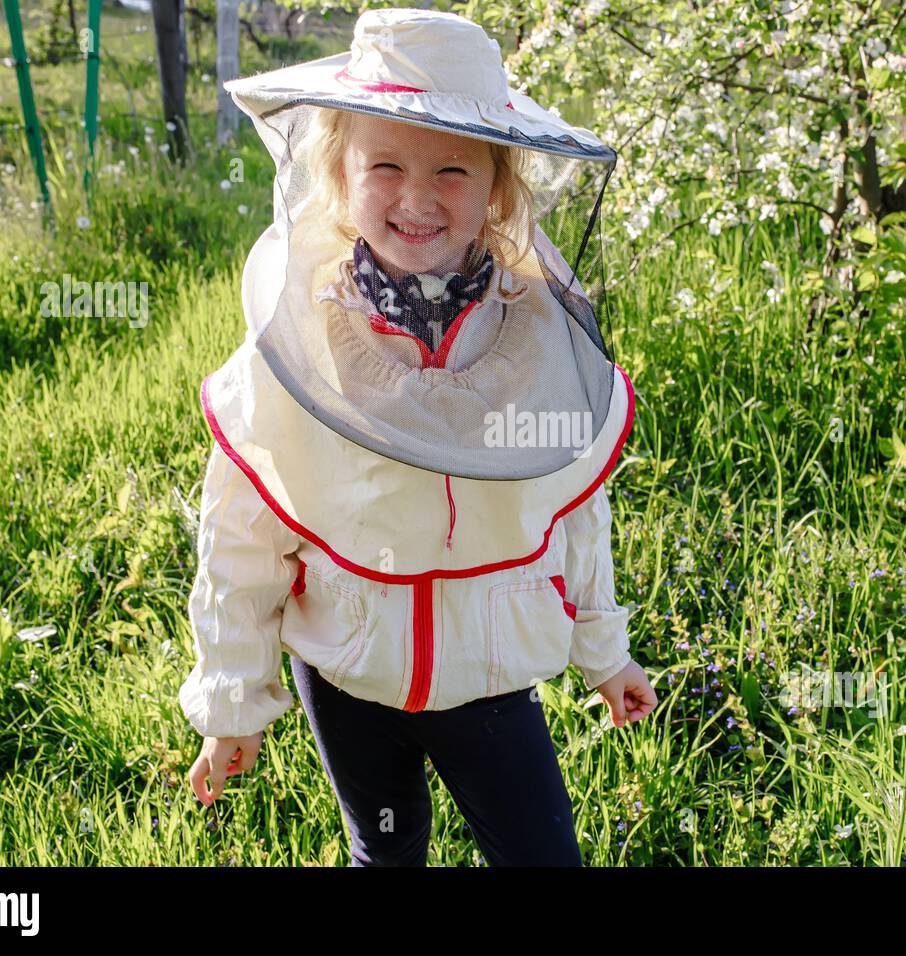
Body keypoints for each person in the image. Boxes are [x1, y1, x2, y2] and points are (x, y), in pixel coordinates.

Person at [181, 7, 657, 866]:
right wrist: (229, 707)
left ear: (498, 187)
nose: (416, 196)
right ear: (338, 174)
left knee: (543, 857)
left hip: (491, 676)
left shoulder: (540, 336)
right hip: (350, 671)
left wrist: (605, 654)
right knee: (386, 851)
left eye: (451, 170)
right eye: (385, 166)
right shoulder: (298, 343)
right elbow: (243, 535)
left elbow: (574, 510)